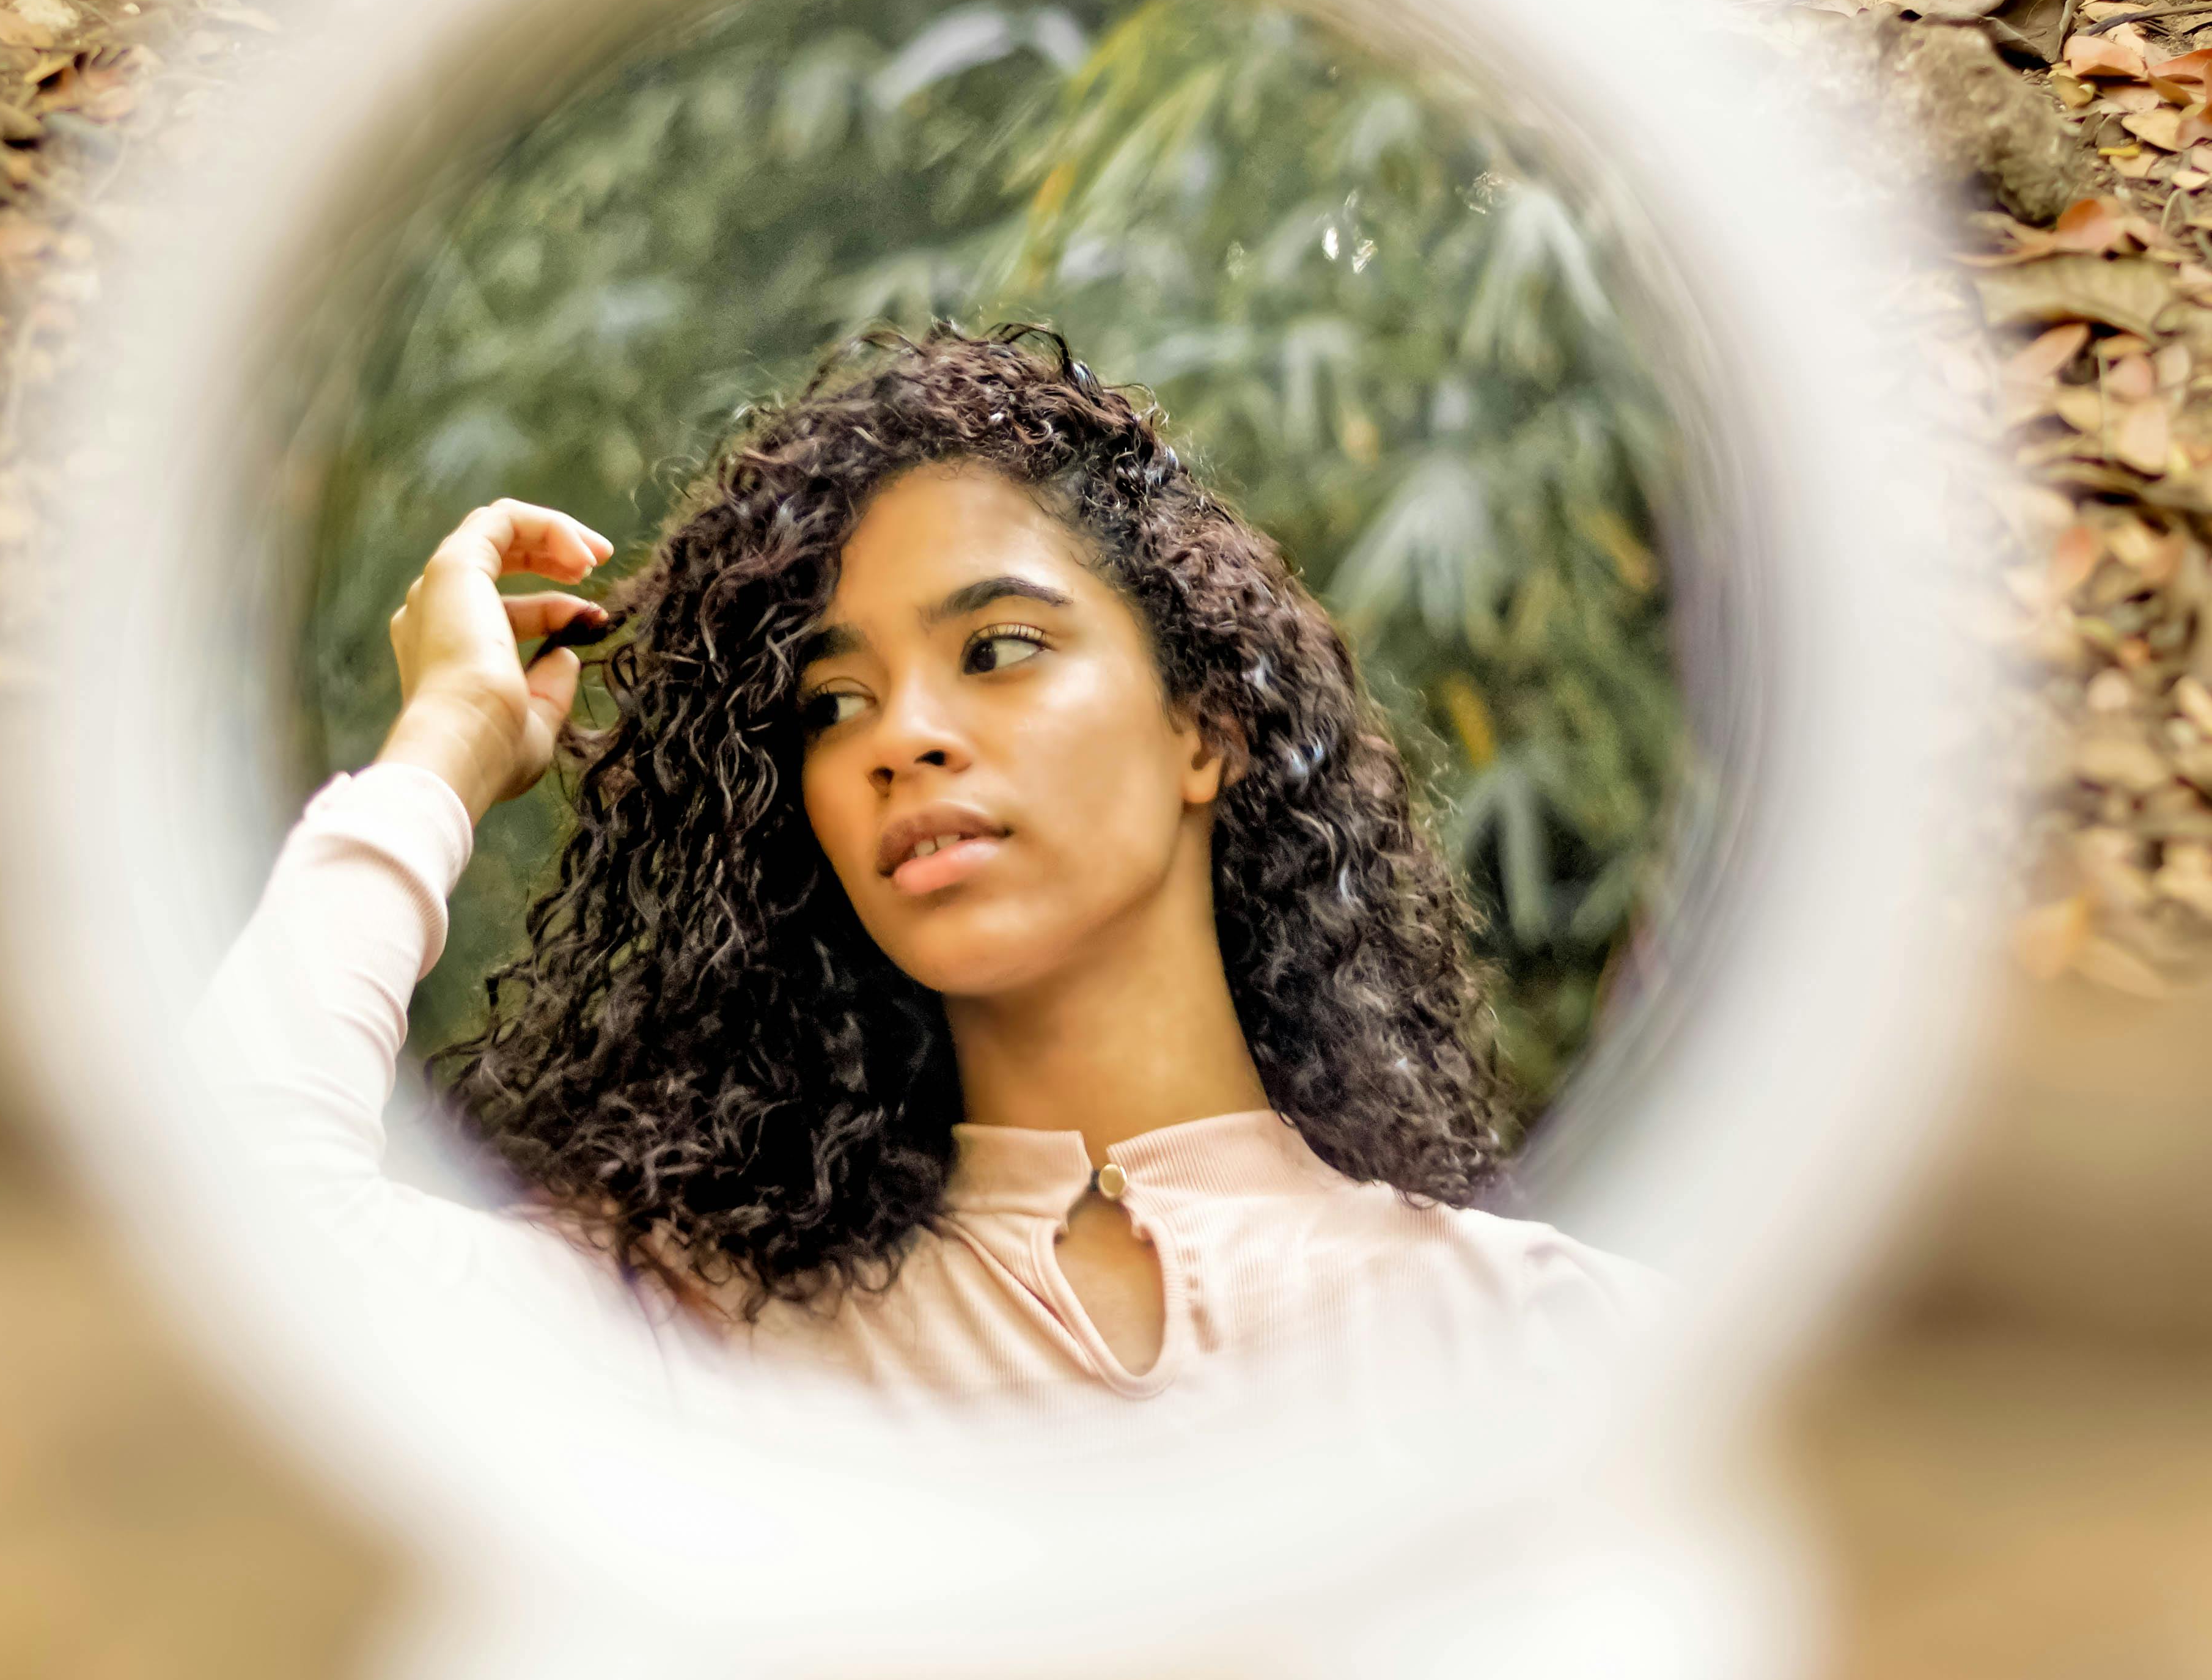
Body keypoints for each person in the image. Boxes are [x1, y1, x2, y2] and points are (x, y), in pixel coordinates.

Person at [194, 325, 1653, 1406]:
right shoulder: (705, 1326)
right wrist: (445, 742)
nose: (903, 736)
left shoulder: (1525, 1329)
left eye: (997, 650)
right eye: (833, 704)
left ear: (1201, 727)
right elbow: (217, 1245)